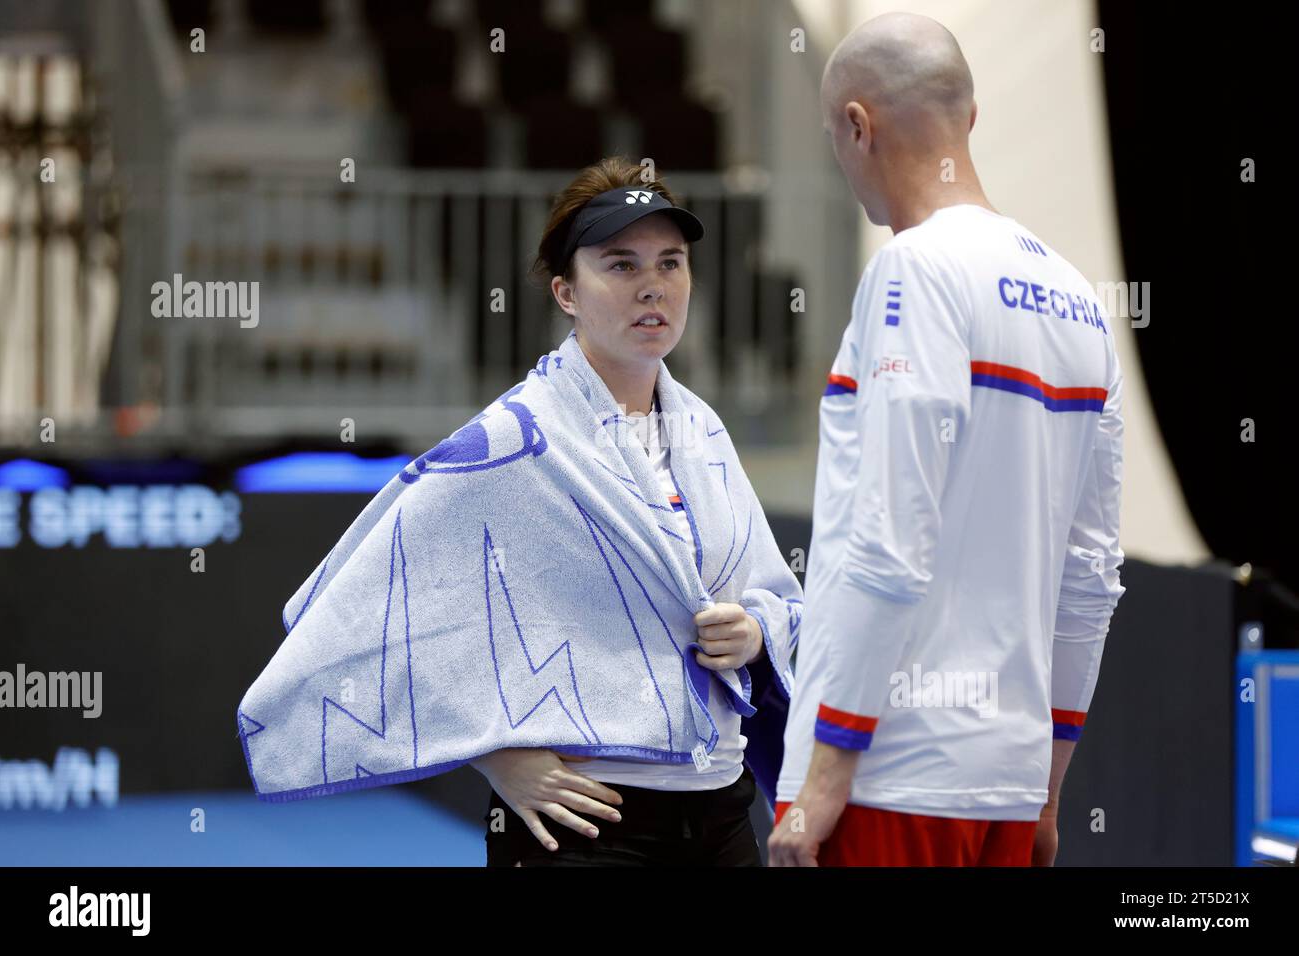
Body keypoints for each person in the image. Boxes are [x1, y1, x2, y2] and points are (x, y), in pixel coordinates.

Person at [768, 12, 1126, 866]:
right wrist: (1046, 787)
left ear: (858, 125)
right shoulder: (1082, 302)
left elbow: (889, 545)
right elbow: (1091, 580)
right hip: (1004, 784)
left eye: (833, 139)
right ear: (970, 120)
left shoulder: (911, 271)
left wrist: (822, 786)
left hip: (887, 776)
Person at [471, 157, 803, 866]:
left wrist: (752, 634)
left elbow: (780, 595)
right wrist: (497, 758)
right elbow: (421, 610)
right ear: (565, 291)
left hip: (718, 806)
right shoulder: (513, 437)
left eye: (671, 262)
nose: (653, 284)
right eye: (620, 265)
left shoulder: (703, 430)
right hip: (585, 820)